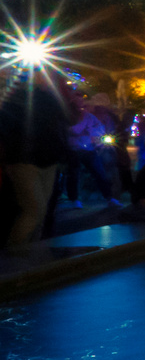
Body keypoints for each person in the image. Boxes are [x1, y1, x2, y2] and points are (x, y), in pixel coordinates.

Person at [2, 68, 75, 248]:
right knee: (35, 209)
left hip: (47, 159)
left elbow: (68, 118)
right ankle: (15, 254)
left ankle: (32, 252)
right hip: (23, 160)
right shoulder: (14, 97)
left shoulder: (50, 98)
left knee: (41, 212)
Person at [64, 95, 120, 209]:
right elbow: (72, 130)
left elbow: (99, 129)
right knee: (74, 174)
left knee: (99, 173)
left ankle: (109, 197)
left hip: (88, 149)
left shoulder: (89, 117)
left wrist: (90, 133)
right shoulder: (68, 116)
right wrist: (85, 132)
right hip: (73, 149)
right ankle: (74, 199)